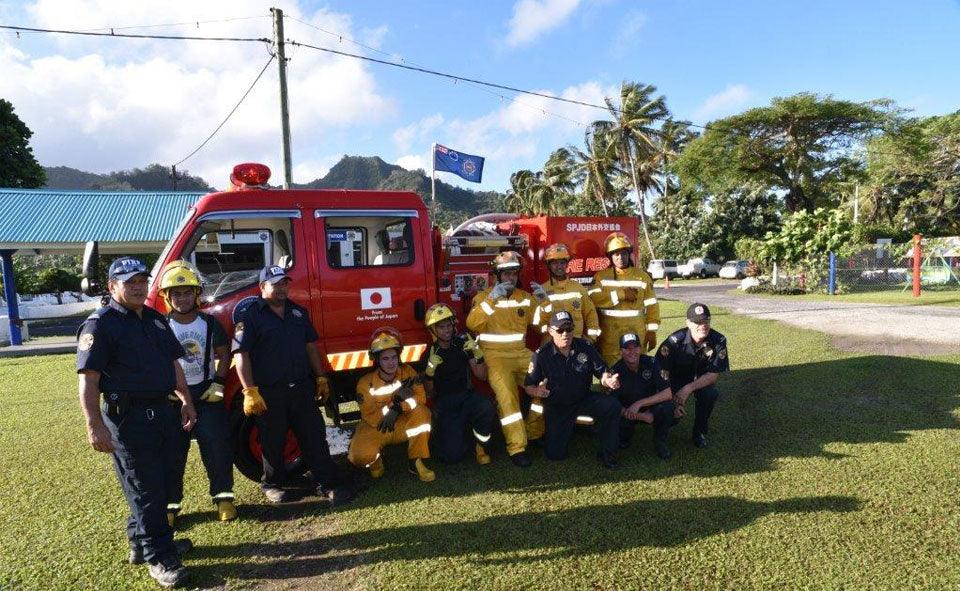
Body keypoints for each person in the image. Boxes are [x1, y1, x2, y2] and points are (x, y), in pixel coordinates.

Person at [76, 257, 197, 588]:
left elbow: (174, 365)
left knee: (164, 482)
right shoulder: (100, 325)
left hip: (164, 413)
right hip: (128, 419)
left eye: (142, 281)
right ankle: (159, 556)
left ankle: (141, 543)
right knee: (145, 488)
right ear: (113, 286)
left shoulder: (156, 320)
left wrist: (185, 400)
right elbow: (89, 379)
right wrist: (94, 425)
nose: (138, 287)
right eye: (129, 282)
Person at [233, 265, 352, 504]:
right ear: (262, 287)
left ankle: (326, 483)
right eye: (275, 284)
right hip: (269, 392)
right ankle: (272, 485)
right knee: (272, 440)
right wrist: (249, 391)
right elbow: (240, 354)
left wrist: (320, 377)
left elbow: (311, 347)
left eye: (284, 283)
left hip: (301, 388)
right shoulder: (250, 316)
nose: (281, 288)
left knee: (314, 437)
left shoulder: (298, 313)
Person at [157, 261, 237, 525]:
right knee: (171, 454)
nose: (182, 298)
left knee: (217, 448)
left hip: (205, 396)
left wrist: (219, 383)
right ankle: (170, 507)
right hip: (173, 400)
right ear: (167, 297)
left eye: (188, 292)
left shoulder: (210, 323)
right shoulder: (160, 326)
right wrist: (166, 389)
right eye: (176, 294)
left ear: (197, 294)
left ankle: (224, 498)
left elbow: (224, 354)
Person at [465, 250, 540, 468]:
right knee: (507, 398)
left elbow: (542, 324)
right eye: (506, 274)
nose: (510, 278)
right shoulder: (483, 298)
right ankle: (517, 448)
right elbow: (472, 324)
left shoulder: (525, 298)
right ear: (497, 276)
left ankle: (535, 432)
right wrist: (492, 300)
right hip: (495, 357)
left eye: (514, 273)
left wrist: (544, 303)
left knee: (547, 380)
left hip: (521, 353)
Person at [523, 311, 622, 469]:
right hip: (558, 407)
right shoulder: (541, 355)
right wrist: (537, 392)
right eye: (560, 330)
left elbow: (602, 371)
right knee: (555, 455)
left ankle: (607, 453)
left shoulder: (585, 346)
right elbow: (528, 386)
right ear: (550, 331)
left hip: (583, 399)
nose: (565, 334)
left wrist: (607, 380)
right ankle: (576, 428)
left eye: (569, 329)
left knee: (612, 405)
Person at [527, 242, 600, 441]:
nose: (559, 266)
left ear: (567, 264)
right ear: (548, 266)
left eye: (562, 262)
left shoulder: (578, 289)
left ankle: (582, 425)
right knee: (542, 393)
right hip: (551, 352)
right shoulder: (541, 291)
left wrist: (590, 339)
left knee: (580, 389)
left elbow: (590, 314)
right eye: (555, 263)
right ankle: (535, 434)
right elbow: (535, 325)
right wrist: (542, 305)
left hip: (576, 350)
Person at [348, 328, 436, 481]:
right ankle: (375, 462)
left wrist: (399, 407)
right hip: (377, 427)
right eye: (385, 359)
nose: (391, 363)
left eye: (394, 357)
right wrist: (392, 407)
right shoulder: (365, 383)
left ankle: (416, 461)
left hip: (401, 422)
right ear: (377, 360)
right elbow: (371, 416)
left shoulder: (408, 372)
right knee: (359, 456)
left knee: (423, 413)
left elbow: (420, 398)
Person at [422, 303, 496, 464]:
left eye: (449, 325)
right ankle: (453, 436)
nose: (447, 330)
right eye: (441, 327)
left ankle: (480, 445)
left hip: (466, 397)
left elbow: (482, 376)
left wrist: (479, 356)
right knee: (452, 456)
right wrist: (429, 372)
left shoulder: (463, 343)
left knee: (486, 406)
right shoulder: (429, 353)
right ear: (433, 330)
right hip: (445, 403)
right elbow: (429, 393)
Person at [657, 303, 730, 448]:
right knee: (671, 415)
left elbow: (712, 375)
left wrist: (688, 389)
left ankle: (699, 433)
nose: (703, 325)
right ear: (688, 323)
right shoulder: (674, 342)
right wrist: (671, 398)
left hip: (700, 381)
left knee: (709, 394)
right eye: (698, 322)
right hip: (675, 380)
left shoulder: (718, 340)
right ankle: (660, 434)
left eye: (706, 321)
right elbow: (660, 373)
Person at [589, 232, 661, 366]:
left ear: (629, 254)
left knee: (636, 367)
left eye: (624, 253)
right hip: (610, 333)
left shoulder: (642, 276)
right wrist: (620, 294)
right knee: (612, 369)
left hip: (637, 330)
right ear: (610, 256)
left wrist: (651, 330)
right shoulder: (601, 277)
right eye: (616, 254)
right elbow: (593, 299)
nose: (620, 257)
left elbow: (652, 305)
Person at [609, 332, 676, 459]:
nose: (632, 351)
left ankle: (660, 441)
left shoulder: (653, 362)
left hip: (650, 406)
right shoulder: (615, 372)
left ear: (640, 349)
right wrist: (641, 416)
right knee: (621, 435)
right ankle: (625, 436)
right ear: (621, 351)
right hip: (628, 412)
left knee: (667, 407)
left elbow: (668, 393)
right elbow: (612, 405)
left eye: (635, 347)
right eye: (627, 348)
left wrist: (640, 404)